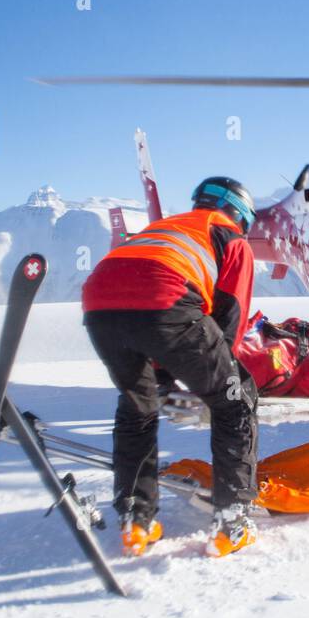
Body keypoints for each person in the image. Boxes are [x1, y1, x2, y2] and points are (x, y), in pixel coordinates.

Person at [82, 177, 260, 557]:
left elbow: (142, 306)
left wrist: (166, 373)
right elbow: (230, 318)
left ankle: (136, 522)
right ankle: (233, 522)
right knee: (235, 401)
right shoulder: (231, 237)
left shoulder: (167, 227)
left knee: (137, 407)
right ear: (240, 213)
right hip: (166, 300)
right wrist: (217, 376)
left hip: (99, 305)